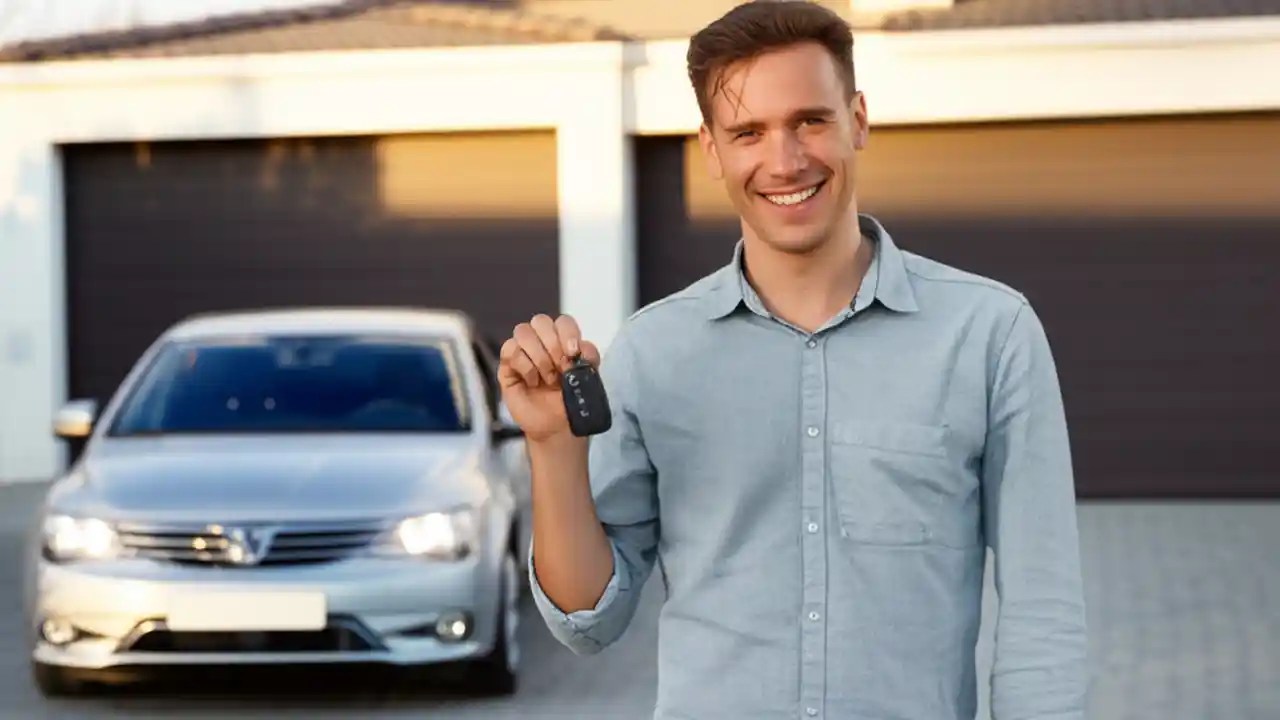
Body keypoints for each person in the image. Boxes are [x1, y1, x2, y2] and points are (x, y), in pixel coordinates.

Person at [497, 1, 1088, 718]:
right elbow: (589, 619)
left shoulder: (990, 334)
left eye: (810, 120)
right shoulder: (653, 354)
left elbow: (1043, 613)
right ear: (712, 151)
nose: (785, 160)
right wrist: (553, 449)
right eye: (749, 132)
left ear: (858, 119)